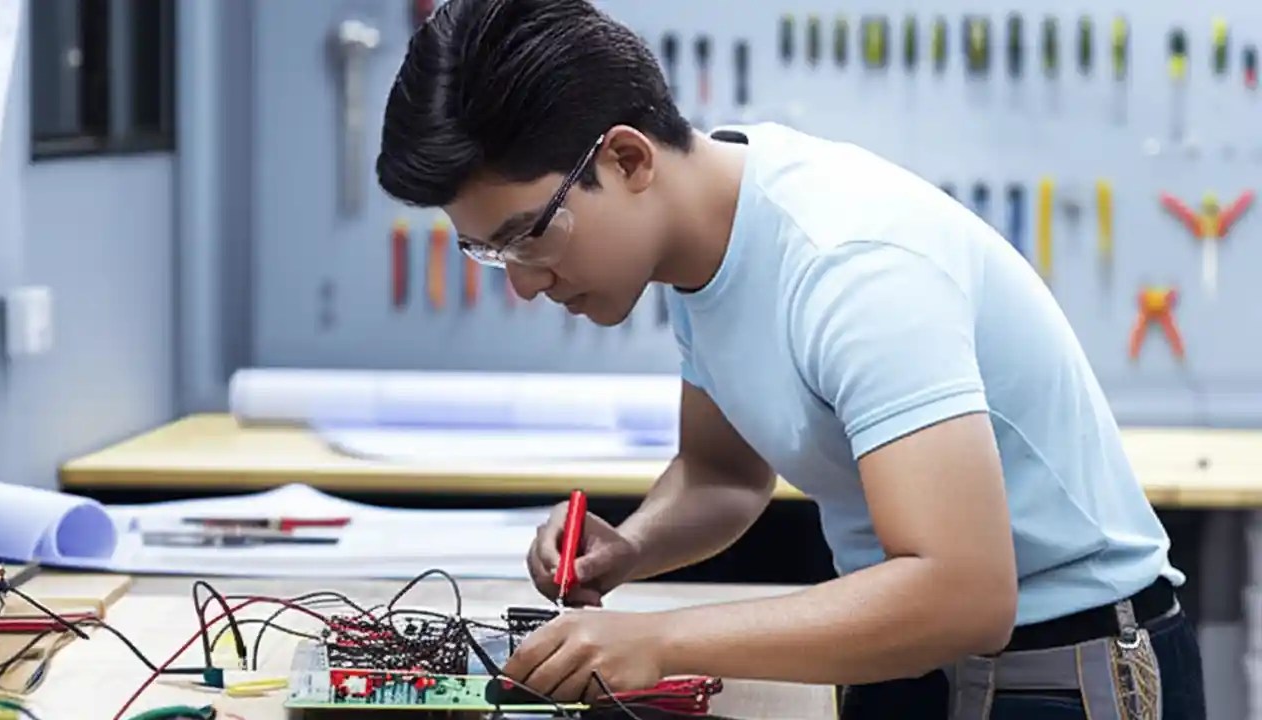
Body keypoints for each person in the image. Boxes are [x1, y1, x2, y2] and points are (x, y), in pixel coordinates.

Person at [374, 0, 1206, 717]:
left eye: (528, 235)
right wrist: (629, 550)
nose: (522, 284)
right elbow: (721, 478)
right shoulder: (707, 245)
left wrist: (657, 641)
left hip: (1059, 673)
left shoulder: (852, 263)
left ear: (628, 159)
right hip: (905, 653)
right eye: (490, 252)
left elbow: (965, 595)